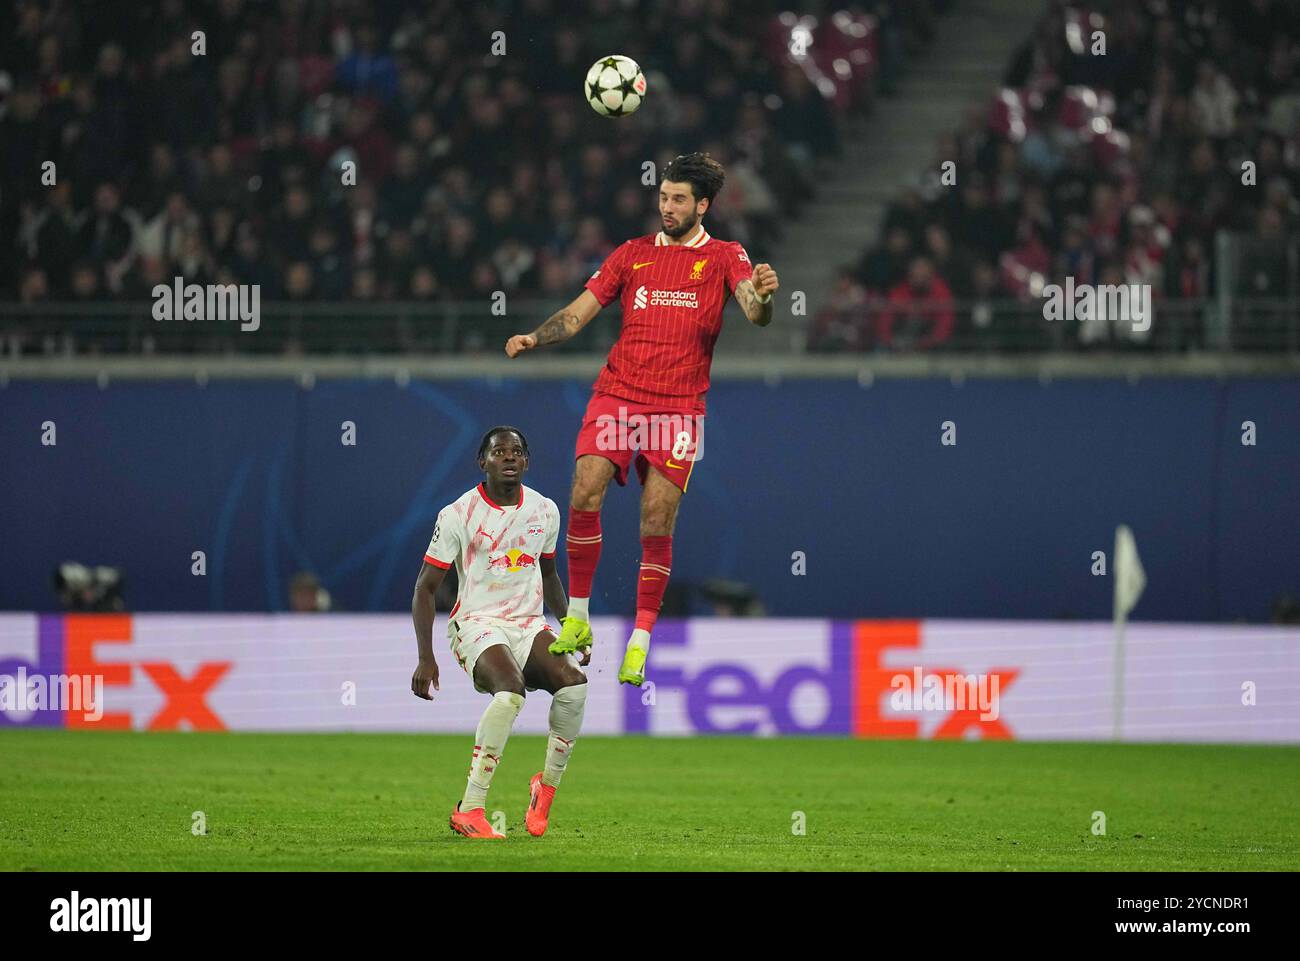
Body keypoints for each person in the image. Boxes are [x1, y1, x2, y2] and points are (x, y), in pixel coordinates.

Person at [503, 152, 779, 687]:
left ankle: (641, 639)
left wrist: (766, 299)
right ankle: (578, 618)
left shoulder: (726, 256)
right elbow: (579, 312)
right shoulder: (632, 254)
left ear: (703, 205)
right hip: (620, 394)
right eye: (663, 197)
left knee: (656, 519)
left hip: (679, 407)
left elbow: (754, 311)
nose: (667, 207)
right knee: (585, 488)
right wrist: (536, 337)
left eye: (678, 199)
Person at [410, 427, 587, 840]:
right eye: (498, 451)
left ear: (526, 461)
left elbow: (549, 574)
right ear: (482, 461)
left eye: (517, 451)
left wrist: (571, 624)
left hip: (527, 622)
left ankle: (545, 788)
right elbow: (425, 588)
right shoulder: (458, 514)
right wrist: (425, 656)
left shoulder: (544, 510)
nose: (509, 457)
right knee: (510, 691)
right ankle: (470, 809)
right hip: (476, 622)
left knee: (575, 685)